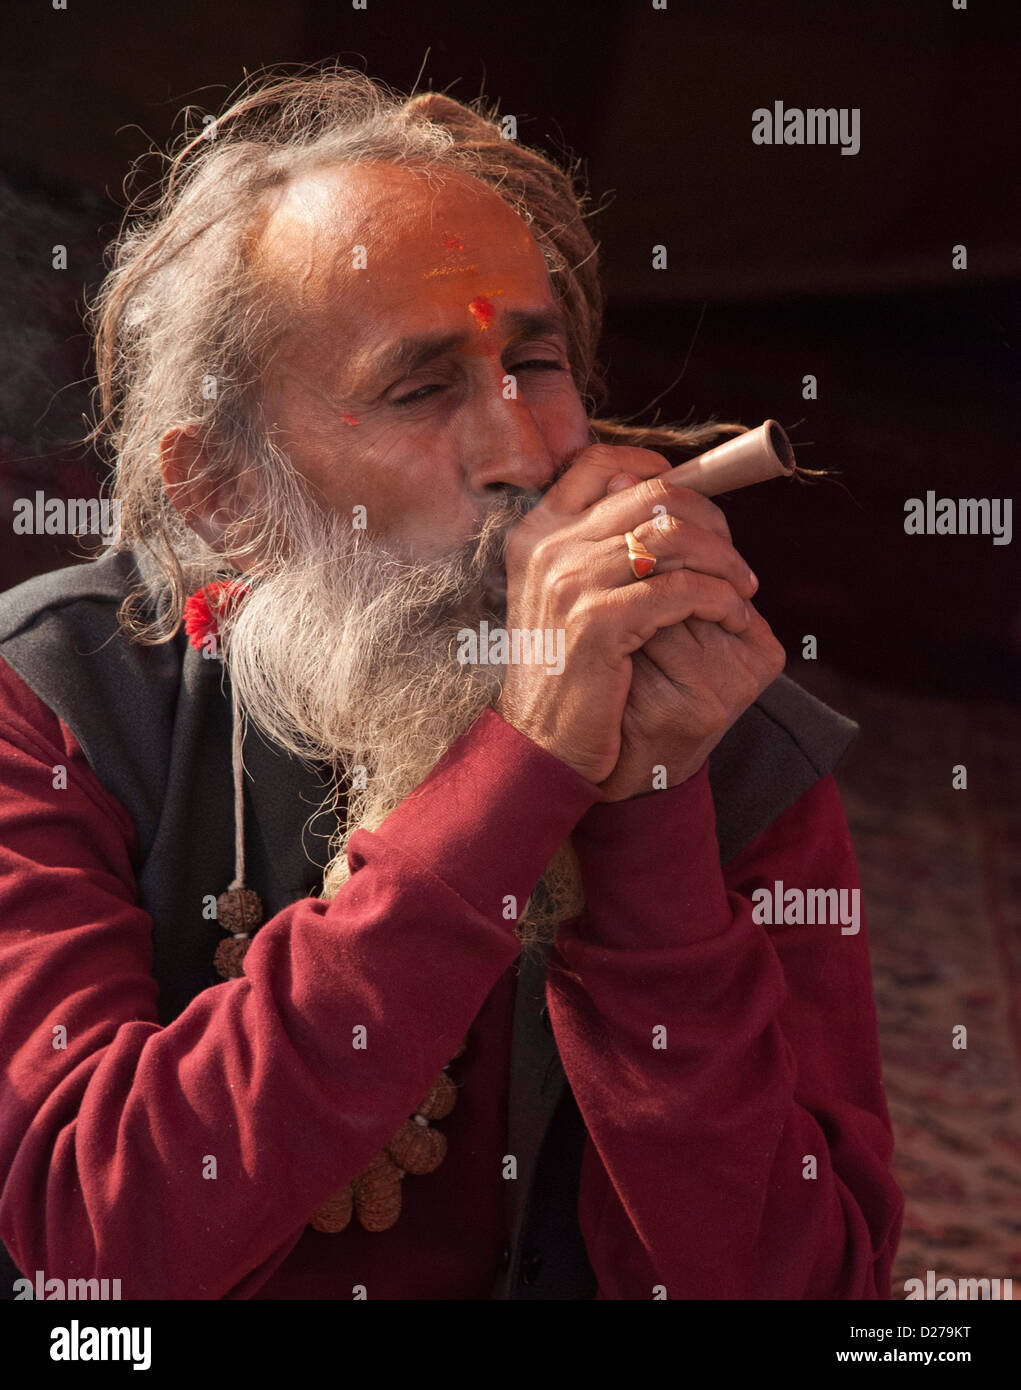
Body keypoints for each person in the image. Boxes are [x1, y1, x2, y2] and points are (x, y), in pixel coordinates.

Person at [0, 65, 903, 1300]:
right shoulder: (53, 700)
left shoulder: (720, 731)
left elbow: (812, 1293)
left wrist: (646, 818)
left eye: (534, 364)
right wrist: (518, 768)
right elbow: (90, 1252)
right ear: (224, 491)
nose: (522, 452)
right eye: (422, 389)